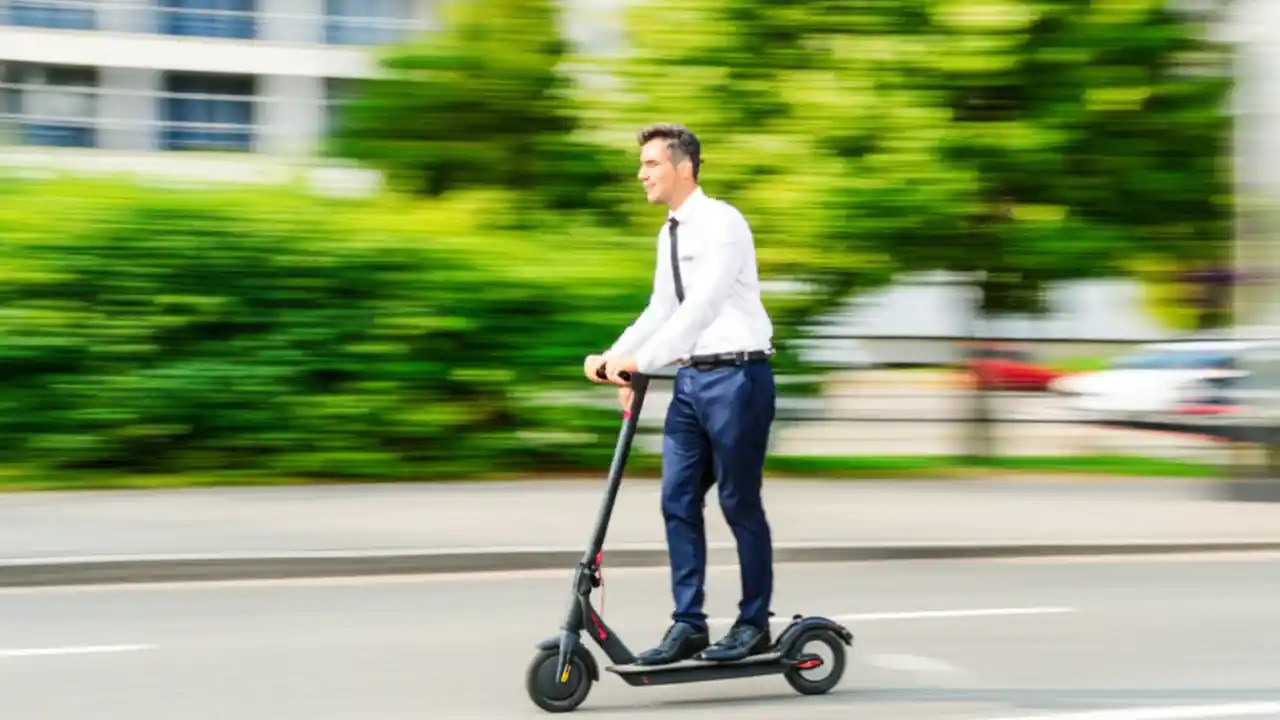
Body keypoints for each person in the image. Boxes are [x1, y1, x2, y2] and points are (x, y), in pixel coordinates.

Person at [582, 123, 777, 666]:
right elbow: (661, 310)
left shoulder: (722, 223)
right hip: (691, 383)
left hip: (739, 379)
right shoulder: (668, 232)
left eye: (650, 163)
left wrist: (641, 362)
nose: (640, 173)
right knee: (676, 500)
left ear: (683, 167)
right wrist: (615, 358)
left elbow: (702, 308)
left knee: (739, 502)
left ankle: (753, 623)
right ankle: (688, 624)